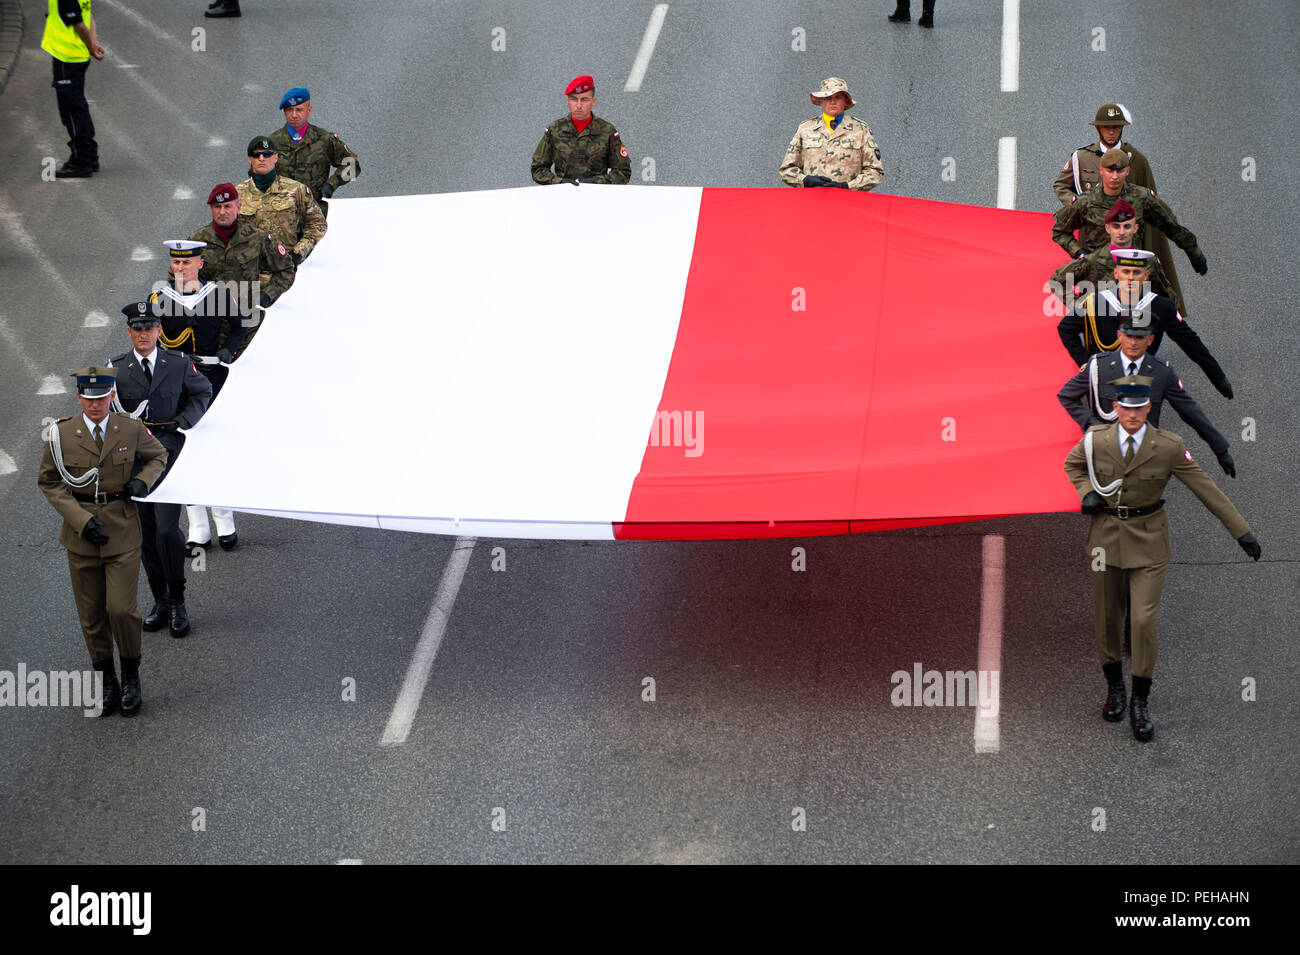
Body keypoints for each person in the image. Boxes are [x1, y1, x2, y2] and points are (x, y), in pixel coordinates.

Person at [1063, 376, 1260, 741]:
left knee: (1142, 620)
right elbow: (1072, 465)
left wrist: (1241, 531)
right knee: (1107, 618)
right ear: (1116, 408)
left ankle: (1140, 701)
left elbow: (1206, 488)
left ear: (1147, 408)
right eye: (1126, 407)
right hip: (1105, 540)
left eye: (1139, 408)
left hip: (1149, 541)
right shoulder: (1095, 441)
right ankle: (1115, 690)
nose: (1132, 414)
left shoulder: (1168, 446)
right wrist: (1087, 492)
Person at [38, 367, 168, 717]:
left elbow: (158, 456)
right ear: (79, 398)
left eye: (101, 398)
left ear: (111, 397)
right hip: (82, 535)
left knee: (121, 610)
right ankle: (107, 681)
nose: (95, 405)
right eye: (88, 399)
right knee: (92, 616)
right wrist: (81, 520)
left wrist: (142, 482)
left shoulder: (129, 427)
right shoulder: (61, 434)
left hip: (122, 531)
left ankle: (131, 677)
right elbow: (50, 482)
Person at [108, 303, 213, 637]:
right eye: (137, 329)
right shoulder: (116, 369)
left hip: (167, 454)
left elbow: (203, 391)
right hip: (132, 460)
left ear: (158, 331)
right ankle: (161, 601)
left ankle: (179, 601)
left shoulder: (178, 363)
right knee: (146, 535)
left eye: (149, 328)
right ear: (129, 332)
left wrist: (188, 419)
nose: (143, 334)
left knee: (167, 531)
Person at [150, 240, 248, 552]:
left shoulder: (218, 294)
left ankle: (224, 516)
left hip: (211, 378)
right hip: (174, 382)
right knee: (182, 447)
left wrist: (227, 350)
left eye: (187, 263)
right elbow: (149, 339)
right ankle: (198, 524)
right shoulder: (159, 298)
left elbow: (239, 327)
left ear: (200, 264)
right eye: (176, 263)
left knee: (212, 446)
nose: (181, 269)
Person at [1057, 317, 1236, 476]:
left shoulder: (1161, 373)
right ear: (1119, 336)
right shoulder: (1098, 366)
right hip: (1105, 456)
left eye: (1140, 337)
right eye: (1129, 336)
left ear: (1150, 340)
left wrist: (1219, 448)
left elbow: (1189, 410)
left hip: (1144, 458)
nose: (1133, 343)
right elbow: (1067, 395)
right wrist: (1091, 423)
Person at [1053, 105, 1187, 314]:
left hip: (1129, 244)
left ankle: (1138, 337)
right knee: (1097, 302)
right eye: (1106, 127)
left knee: (1133, 300)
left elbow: (1151, 207)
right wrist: (1077, 206)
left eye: (1116, 127)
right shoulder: (1082, 157)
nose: (1111, 131)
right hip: (1094, 243)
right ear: (1098, 129)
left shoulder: (1136, 160)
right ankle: (1094, 336)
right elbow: (1061, 185)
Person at [1056, 248, 1232, 397]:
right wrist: (1085, 363)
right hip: (1103, 380)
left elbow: (1190, 342)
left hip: (1140, 381)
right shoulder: (1096, 302)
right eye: (1126, 272)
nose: (1131, 278)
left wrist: (1218, 377)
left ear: (1146, 275)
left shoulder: (1161, 307)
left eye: (1137, 272)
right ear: (1116, 274)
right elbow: (1065, 329)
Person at [1052, 149, 1206, 282]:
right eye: (1110, 171)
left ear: (1127, 171)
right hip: (1097, 277)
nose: (1114, 177)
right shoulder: (1085, 202)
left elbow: (1171, 226)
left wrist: (1193, 251)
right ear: (1101, 170)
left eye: (1119, 171)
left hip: (1133, 274)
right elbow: (1060, 231)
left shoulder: (1142, 198)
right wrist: (1080, 254)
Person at [1048, 200, 1179, 312]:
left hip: (1137, 332)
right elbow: (1057, 281)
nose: (1122, 232)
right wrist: (1082, 308)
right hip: (1102, 336)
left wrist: (1157, 322)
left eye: (1127, 226)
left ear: (1135, 228)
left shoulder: (1148, 262)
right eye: (1116, 226)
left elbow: (1168, 297)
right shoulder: (1093, 261)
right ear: (1108, 228)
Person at [189, 182, 296, 312]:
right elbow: (177, 278)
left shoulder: (257, 238)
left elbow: (286, 269)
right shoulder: (196, 242)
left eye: (227, 206)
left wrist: (267, 295)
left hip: (246, 318)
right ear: (211, 209)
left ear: (238, 207)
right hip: (209, 318)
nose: (222, 212)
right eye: (217, 207)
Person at [269, 88, 361, 218]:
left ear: (309, 110)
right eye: (290, 110)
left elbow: (352, 165)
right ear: (284, 112)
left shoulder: (324, 139)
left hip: (314, 214)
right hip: (281, 216)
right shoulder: (272, 142)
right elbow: (256, 174)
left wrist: (331, 184)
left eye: (299, 110)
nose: (294, 115)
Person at [779, 77, 884, 191]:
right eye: (828, 97)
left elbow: (875, 172)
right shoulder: (805, 129)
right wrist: (805, 180)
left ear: (845, 101)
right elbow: (786, 170)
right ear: (821, 101)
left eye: (837, 97)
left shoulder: (861, 130)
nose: (832, 102)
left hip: (848, 202)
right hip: (812, 202)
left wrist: (848, 187)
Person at [237, 138, 328, 263]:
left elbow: (318, 224)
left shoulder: (296, 190)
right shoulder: (237, 194)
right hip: (249, 267)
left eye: (267, 154)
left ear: (275, 157)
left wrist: (298, 252)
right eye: (256, 154)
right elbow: (224, 229)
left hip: (285, 266)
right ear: (250, 159)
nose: (261, 158)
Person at [41, 0, 105, 178]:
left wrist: (92, 46)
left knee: (71, 111)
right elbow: (90, 17)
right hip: (77, 55)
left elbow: (78, 23)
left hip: (67, 58)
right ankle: (90, 156)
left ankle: (81, 161)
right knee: (79, 107)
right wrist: (91, 44)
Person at [531, 75, 632, 185]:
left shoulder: (607, 131)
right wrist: (559, 182)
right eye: (574, 99)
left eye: (584, 99)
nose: (579, 105)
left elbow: (623, 171)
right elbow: (538, 169)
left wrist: (598, 182)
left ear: (593, 101)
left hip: (598, 196)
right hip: (563, 196)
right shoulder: (555, 130)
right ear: (567, 101)